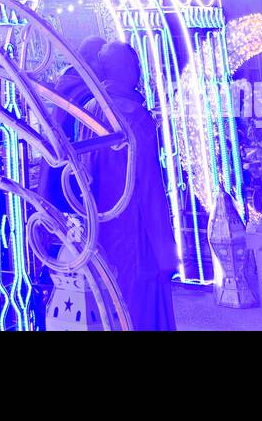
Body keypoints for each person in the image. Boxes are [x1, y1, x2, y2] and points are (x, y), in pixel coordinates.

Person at [86, 40, 178, 330]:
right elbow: (150, 187)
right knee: (142, 308)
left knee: (112, 304)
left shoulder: (89, 109)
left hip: (104, 227)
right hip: (138, 230)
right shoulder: (135, 116)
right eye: (135, 64)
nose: (139, 70)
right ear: (123, 68)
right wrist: (165, 248)